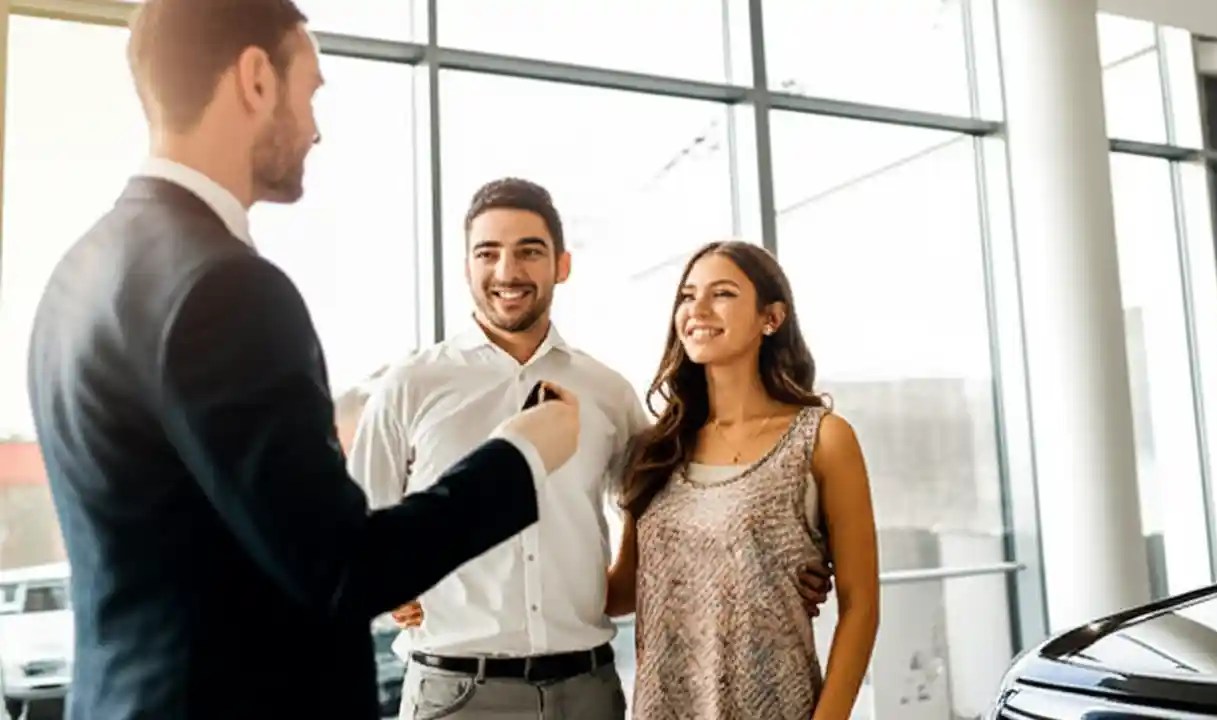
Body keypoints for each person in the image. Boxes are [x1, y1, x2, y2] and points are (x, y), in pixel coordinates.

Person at [23, 3, 579, 719]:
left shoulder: (78, 275)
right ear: (256, 78)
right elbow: (342, 565)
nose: (316, 127)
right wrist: (522, 455)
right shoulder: (226, 286)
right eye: (310, 90)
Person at [348, 179, 833, 720]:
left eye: (529, 251)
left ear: (562, 264)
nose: (507, 271)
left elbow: (682, 513)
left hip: (587, 693)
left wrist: (776, 569)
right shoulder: (410, 385)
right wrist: (389, 589)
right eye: (488, 253)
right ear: (467, 267)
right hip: (456, 694)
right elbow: (353, 535)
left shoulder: (607, 392)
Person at [606, 240, 880, 720]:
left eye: (723, 294)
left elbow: (861, 606)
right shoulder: (656, 450)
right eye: (687, 296)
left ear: (770, 318)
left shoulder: (822, 440)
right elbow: (622, 592)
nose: (698, 310)